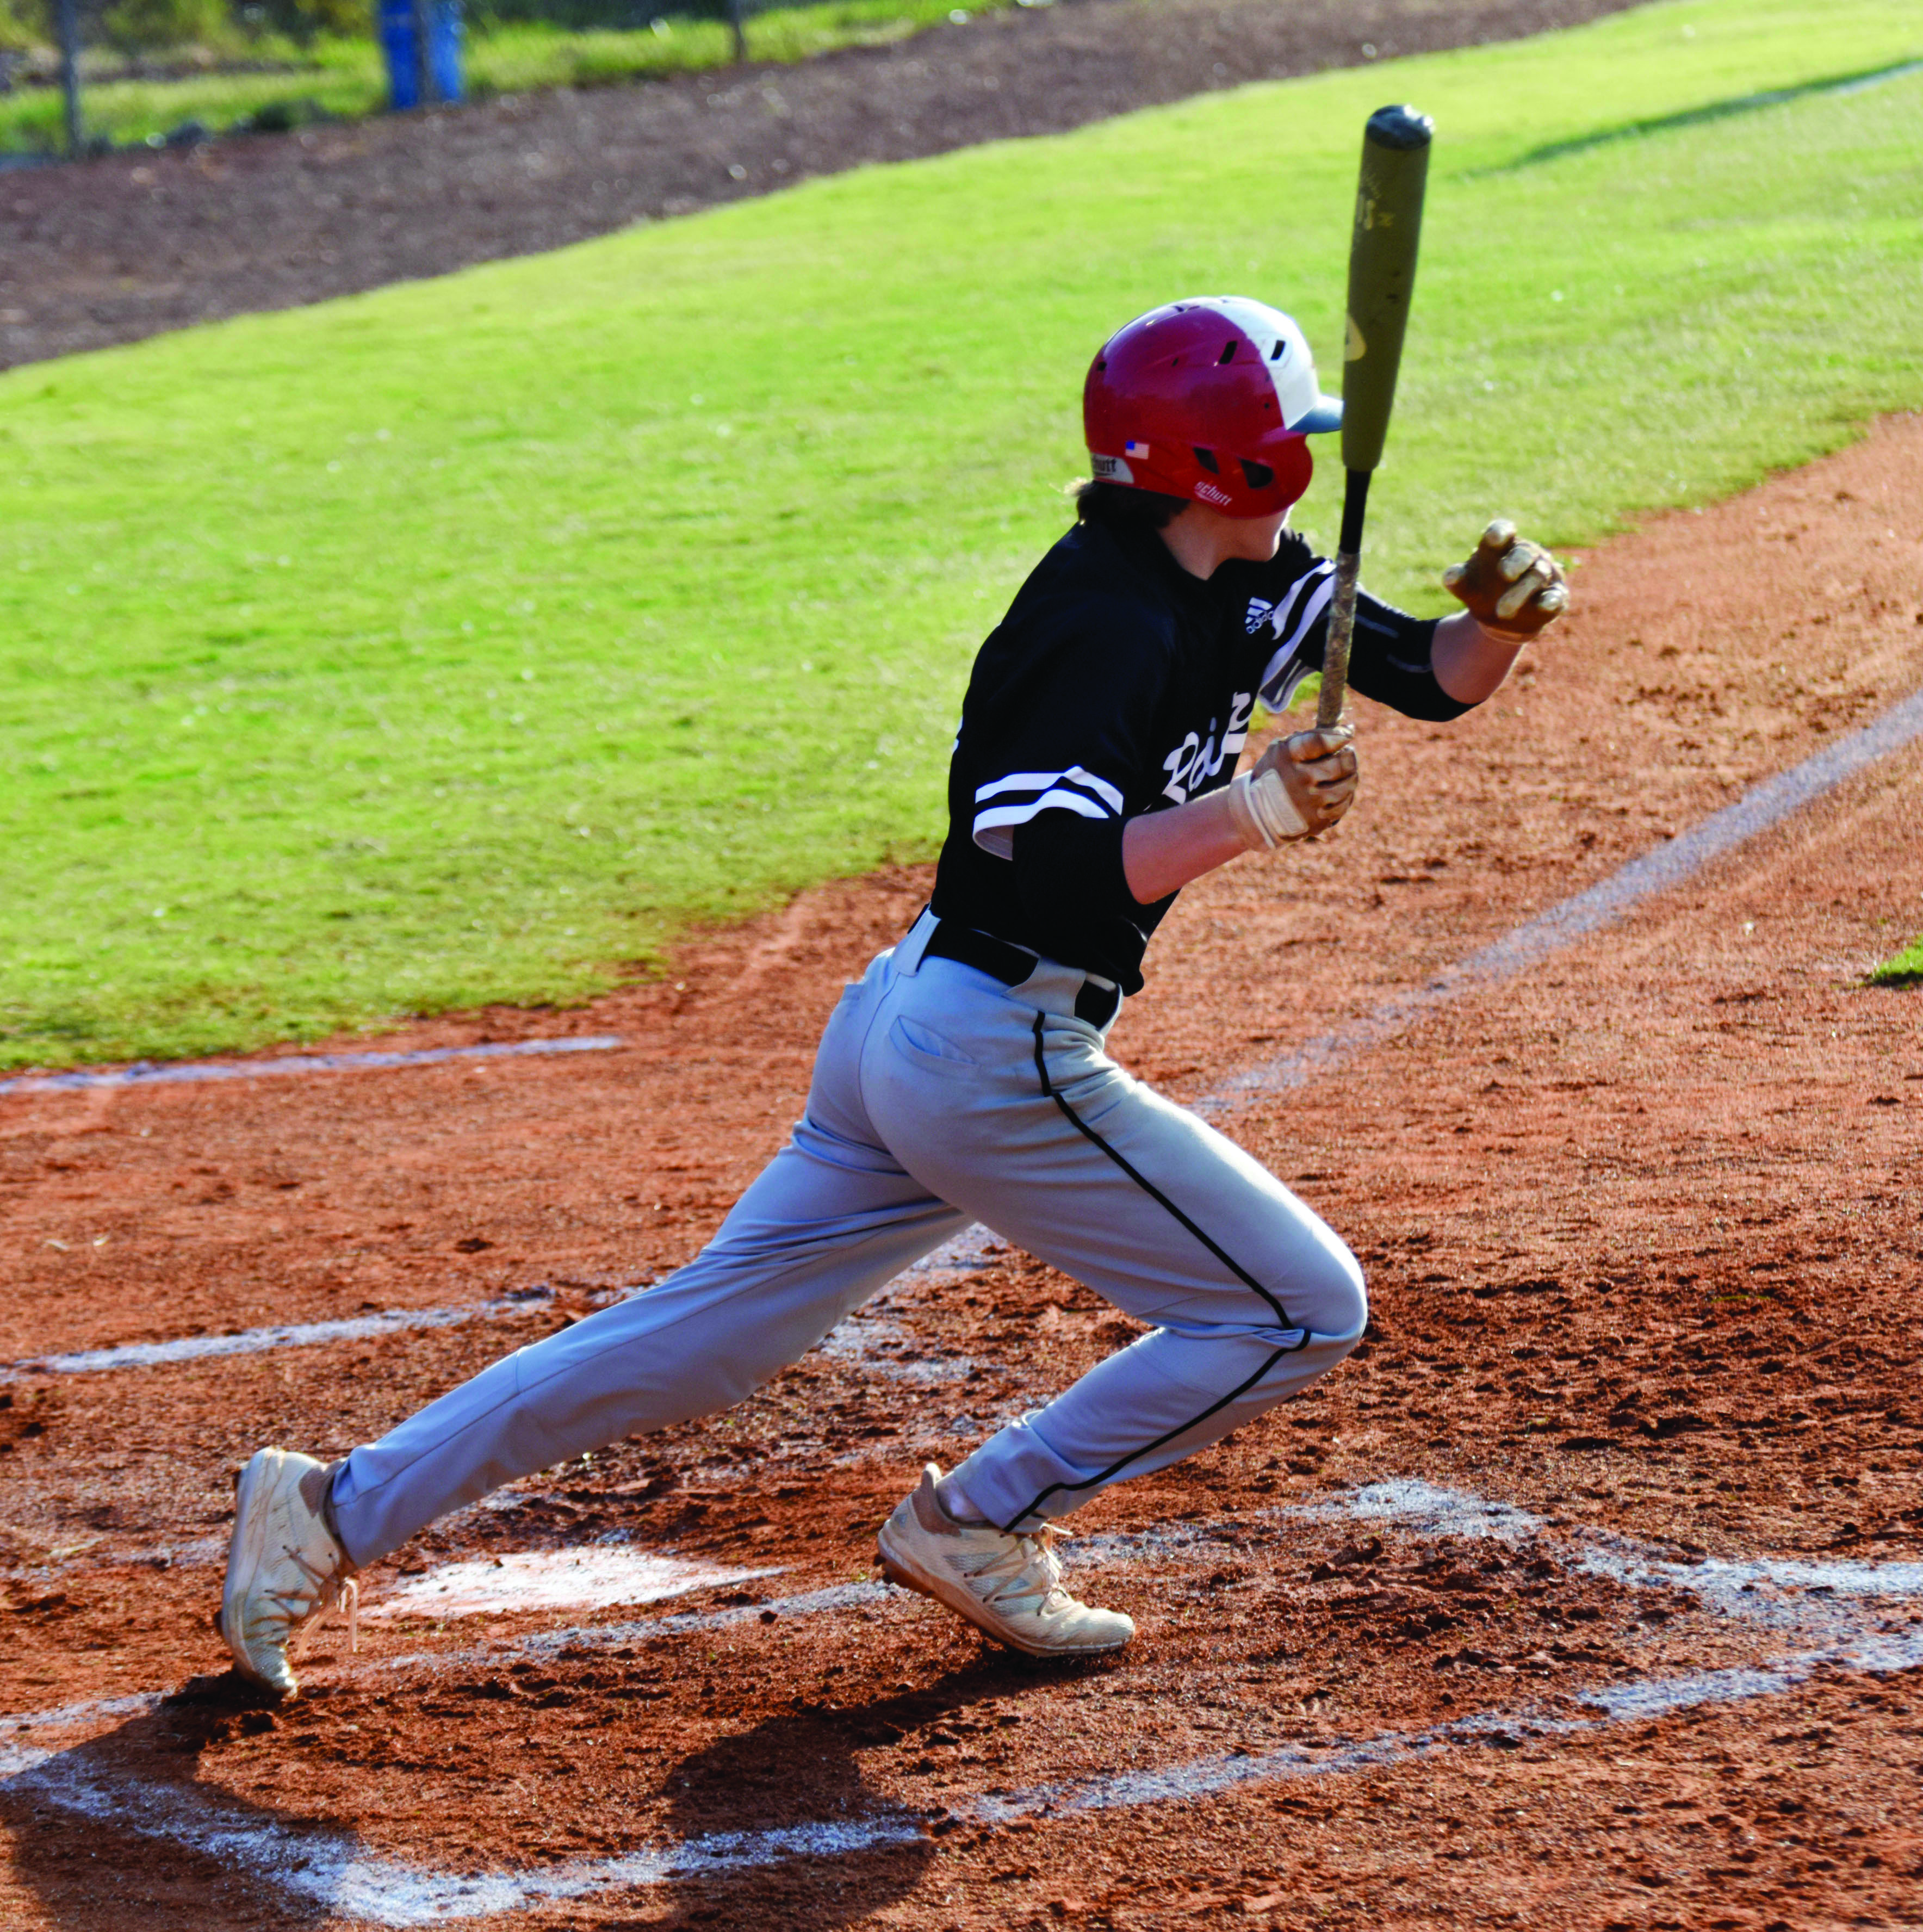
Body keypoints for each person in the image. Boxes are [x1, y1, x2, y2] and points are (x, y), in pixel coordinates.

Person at [219, 295, 1568, 1698]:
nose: (1304, 458)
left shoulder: (1244, 575)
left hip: (912, 1030)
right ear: (1234, 463)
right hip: (991, 1049)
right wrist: (1254, 814)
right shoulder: (1096, 624)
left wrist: (1500, 624)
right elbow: (1048, 870)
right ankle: (982, 1520)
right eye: (1293, 438)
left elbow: (1425, 676)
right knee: (1299, 1309)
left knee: (696, 1340)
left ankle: (327, 1511)